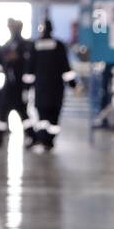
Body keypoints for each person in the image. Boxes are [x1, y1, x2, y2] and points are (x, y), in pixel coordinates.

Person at [27, 19, 77, 151]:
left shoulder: (35, 45)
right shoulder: (59, 45)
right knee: (54, 115)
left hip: (41, 87)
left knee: (42, 114)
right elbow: (66, 67)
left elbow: (29, 69)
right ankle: (49, 141)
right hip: (56, 88)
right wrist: (73, 84)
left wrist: (25, 88)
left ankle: (43, 139)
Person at [0, 18, 32, 148]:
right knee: (2, 112)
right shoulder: (8, 44)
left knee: (23, 112)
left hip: (19, 85)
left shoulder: (25, 44)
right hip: (9, 84)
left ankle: (32, 137)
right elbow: (3, 59)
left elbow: (27, 63)